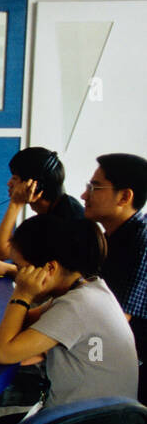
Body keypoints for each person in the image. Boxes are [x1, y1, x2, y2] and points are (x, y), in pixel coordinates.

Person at [0, 215, 136, 407]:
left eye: (21, 268)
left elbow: (3, 353)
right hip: (100, 422)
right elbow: (26, 322)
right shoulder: (88, 289)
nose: (19, 277)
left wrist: (22, 294)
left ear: (50, 268)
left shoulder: (77, 307)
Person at [80, 153, 147, 402]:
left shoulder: (141, 244)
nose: (84, 195)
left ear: (125, 196)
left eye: (95, 187)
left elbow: (116, 320)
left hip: (129, 374)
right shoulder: (112, 237)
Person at [0, 148, 81, 274]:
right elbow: (24, 247)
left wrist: (16, 203)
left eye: (15, 179)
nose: (9, 183)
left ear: (35, 186)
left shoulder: (64, 221)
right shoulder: (59, 208)